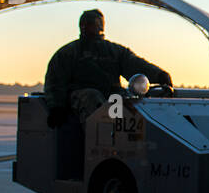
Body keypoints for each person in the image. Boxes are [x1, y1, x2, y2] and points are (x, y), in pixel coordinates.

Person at [43, 9, 173, 124]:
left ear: (100, 25)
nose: (86, 27)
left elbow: (135, 64)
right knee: (92, 97)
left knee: (127, 101)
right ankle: (95, 139)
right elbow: (54, 82)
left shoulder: (114, 51)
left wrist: (159, 75)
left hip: (112, 95)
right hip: (81, 97)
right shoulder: (68, 53)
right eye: (84, 24)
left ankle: (125, 141)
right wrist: (56, 107)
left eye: (90, 23)